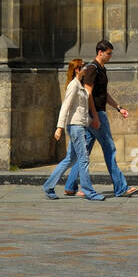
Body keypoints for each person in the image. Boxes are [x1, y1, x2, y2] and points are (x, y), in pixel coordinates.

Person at [64, 40, 136, 198]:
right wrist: (95, 116)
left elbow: (104, 94)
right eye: (108, 53)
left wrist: (118, 107)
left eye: (111, 53)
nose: (110, 56)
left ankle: (70, 186)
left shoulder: (102, 69)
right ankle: (120, 188)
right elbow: (88, 94)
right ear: (100, 52)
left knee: (84, 151)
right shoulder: (92, 68)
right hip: (95, 115)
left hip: (96, 114)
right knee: (110, 149)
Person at [42, 59, 104, 201]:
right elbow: (65, 107)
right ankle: (89, 192)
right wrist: (59, 127)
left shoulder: (79, 85)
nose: (86, 68)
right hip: (75, 128)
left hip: (79, 125)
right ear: (77, 69)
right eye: (83, 66)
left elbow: (79, 110)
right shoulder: (73, 86)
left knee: (70, 159)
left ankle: (48, 186)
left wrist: (91, 121)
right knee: (83, 159)